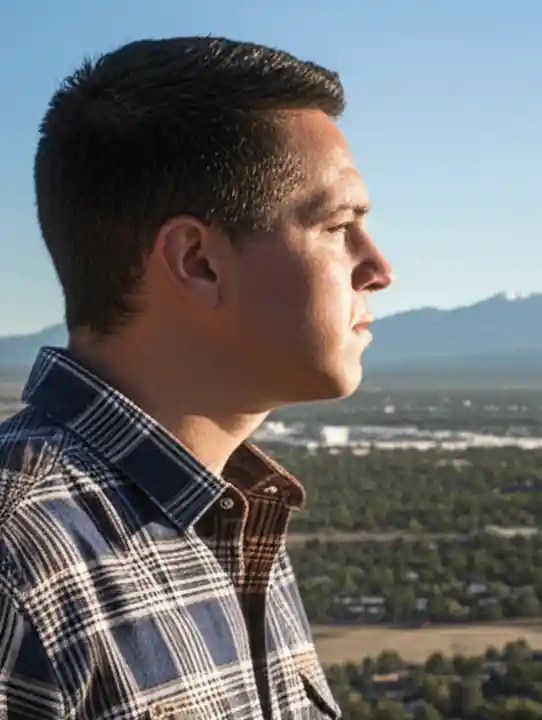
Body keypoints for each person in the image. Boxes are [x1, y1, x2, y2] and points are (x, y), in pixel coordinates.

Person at [0, 36, 393, 719]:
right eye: (338, 226)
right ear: (199, 261)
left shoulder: (235, 517)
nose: (379, 268)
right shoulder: (20, 562)